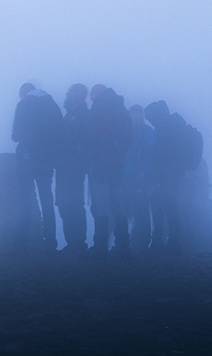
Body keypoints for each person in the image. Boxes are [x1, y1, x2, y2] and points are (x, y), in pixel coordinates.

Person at [12, 83, 63, 251]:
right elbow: (59, 132)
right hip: (47, 160)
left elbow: (15, 135)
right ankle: (50, 242)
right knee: (47, 201)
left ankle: (20, 244)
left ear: (23, 93)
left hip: (26, 159)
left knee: (24, 202)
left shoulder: (24, 105)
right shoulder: (53, 105)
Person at [87, 85, 132, 256]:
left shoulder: (99, 107)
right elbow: (129, 138)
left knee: (100, 202)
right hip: (118, 162)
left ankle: (100, 246)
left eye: (92, 93)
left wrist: (87, 149)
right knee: (116, 201)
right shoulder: (120, 107)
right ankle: (124, 244)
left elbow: (91, 134)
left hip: (100, 161)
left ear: (97, 94)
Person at [144, 101, 191, 255]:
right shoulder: (174, 125)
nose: (150, 121)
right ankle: (172, 242)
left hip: (166, 174)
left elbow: (162, 154)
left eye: (150, 118)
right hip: (174, 174)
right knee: (170, 206)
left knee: (162, 205)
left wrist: (155, 173)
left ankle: (160, 241)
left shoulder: (165, 128)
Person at [55, 84, 91, 253]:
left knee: (73, 203)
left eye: (70, 91)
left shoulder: (83, 115)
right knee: (64, 203)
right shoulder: (71, 114)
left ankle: (78, 243)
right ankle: (73, 242)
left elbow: (80, 141)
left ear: (79, 95)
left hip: (74, 166)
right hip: (64, 165)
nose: (66, 93)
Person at [124, 105, 155, 254]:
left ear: (142, 116)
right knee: (126, 209)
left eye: (138, 115)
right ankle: (126, 243)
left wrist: (144, 172)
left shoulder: (148, 133)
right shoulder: (124, 131)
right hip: (126, 175)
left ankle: (141, 244)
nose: (135, 118)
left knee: (141, 209)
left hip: (142, 176)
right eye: (133, 115)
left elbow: (152, 154)